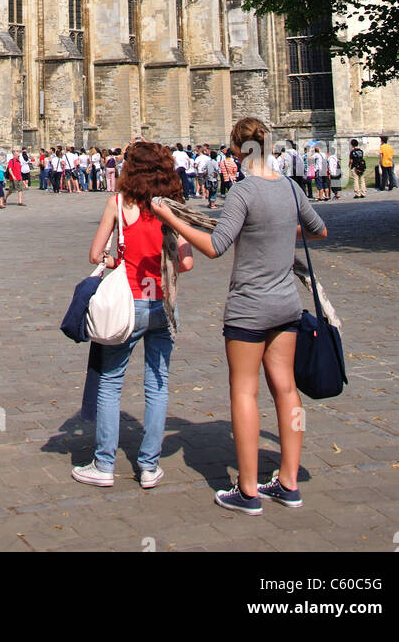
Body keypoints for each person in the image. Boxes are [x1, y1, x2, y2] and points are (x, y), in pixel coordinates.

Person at [152, 116, 327, 513]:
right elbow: (319, 231)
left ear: (238, 149)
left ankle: (247, 491)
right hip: (286, 304)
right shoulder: (291, 187)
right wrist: (280, 233)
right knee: (286, 389)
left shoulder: (243, 192)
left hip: (249, 307)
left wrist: (171, 219)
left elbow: (215, 246)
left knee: (244, 393)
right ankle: (288, 481)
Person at [71, 141, 193, 490]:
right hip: (161, 303)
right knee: (157, 385)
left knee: (110, 383)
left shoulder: (118, 204)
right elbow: (186, 262)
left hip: (129, 303)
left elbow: (96, 254)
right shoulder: (173, 208)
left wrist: (116, 261)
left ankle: (105, 464)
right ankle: (150, 466)